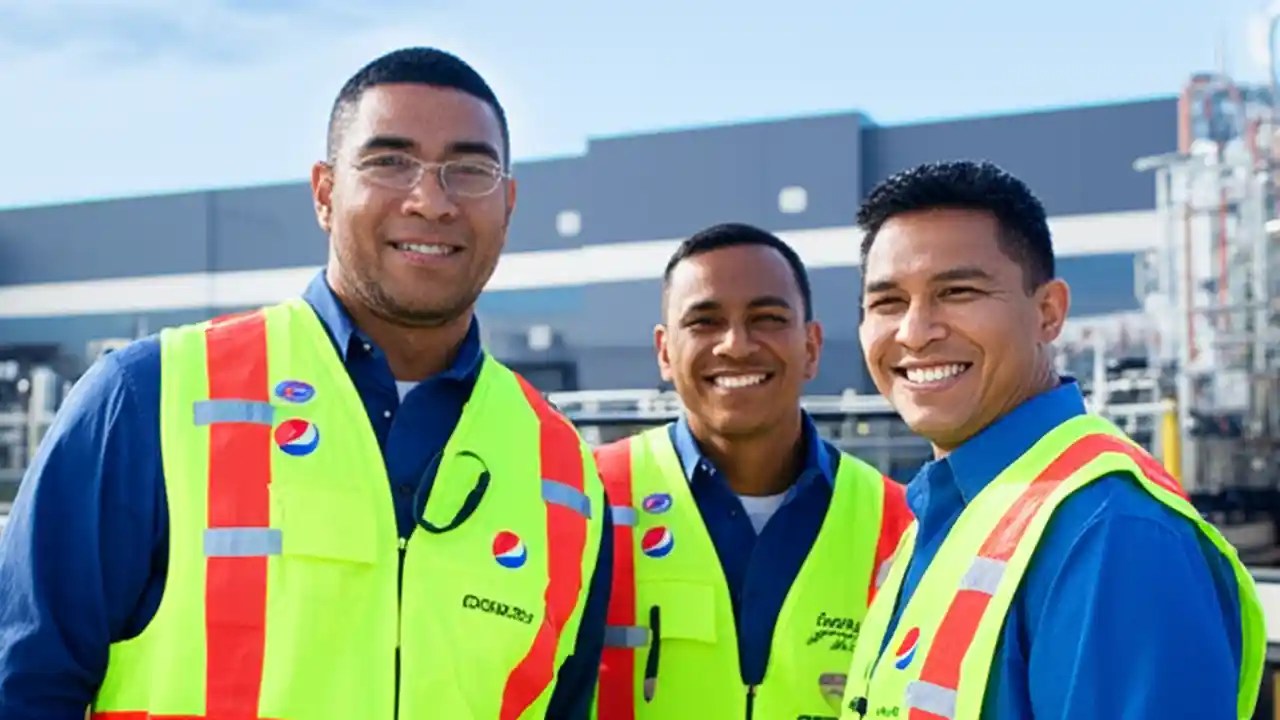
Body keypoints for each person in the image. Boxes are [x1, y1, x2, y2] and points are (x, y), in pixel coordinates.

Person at [0, 46, 613, 720]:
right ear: (325, 192)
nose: (430, 200)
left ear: (509, 204)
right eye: (390, 161)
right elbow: (25, 686)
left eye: (468, 170)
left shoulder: (567, 477)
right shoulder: (148, 399)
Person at [839, 160, 1266, 720]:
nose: (915, 331)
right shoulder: (946, 515)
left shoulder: (1110, 531)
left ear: (1048, 312)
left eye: (958, 291)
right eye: (888, 302)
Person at [590, 223, 912, 719]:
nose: (736, 345)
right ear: (663, 352)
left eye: (767, 318)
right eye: (704, 322)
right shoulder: (588, 498)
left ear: (811, 347)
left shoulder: (899, 522)